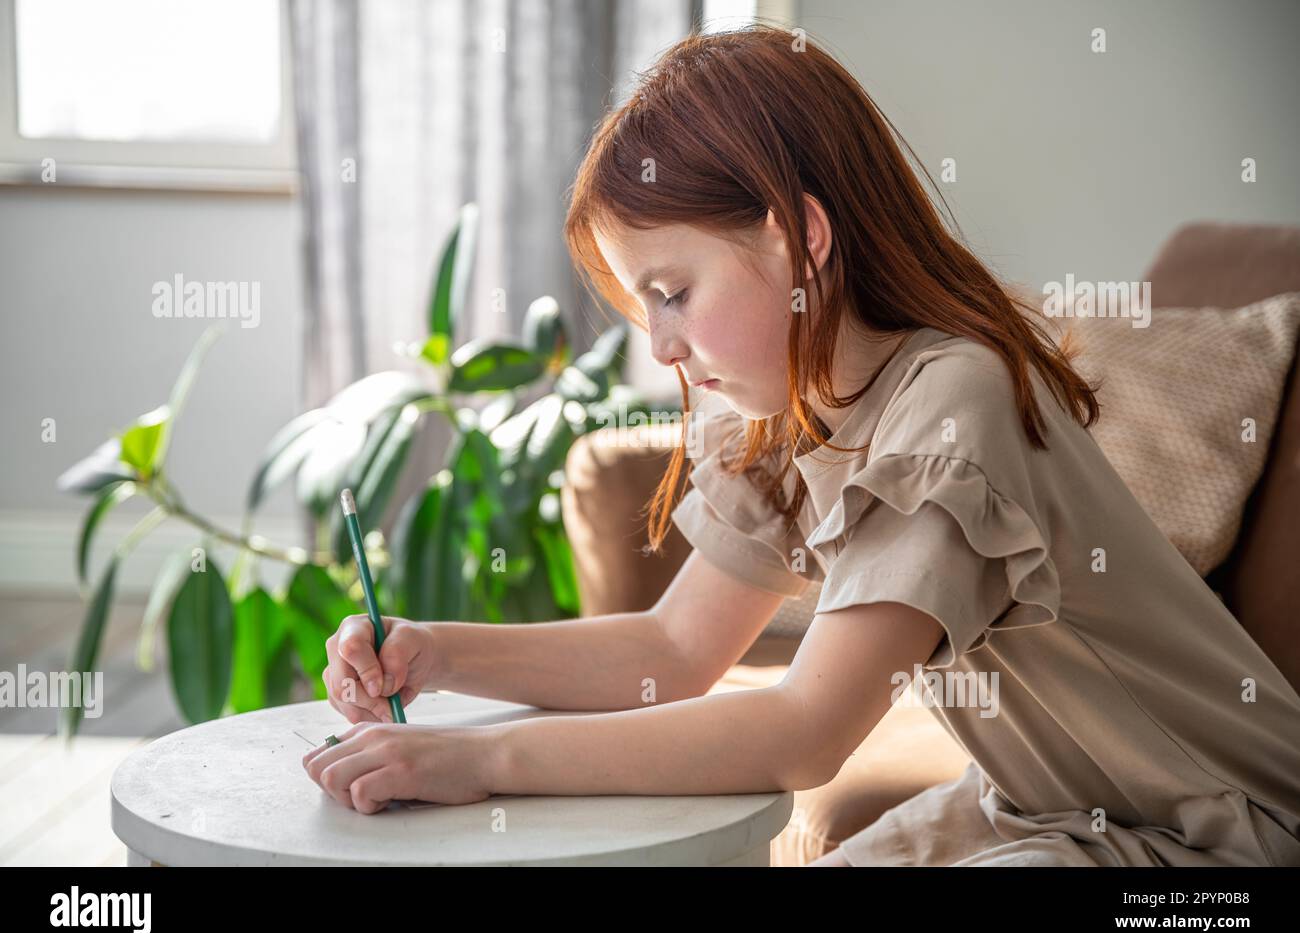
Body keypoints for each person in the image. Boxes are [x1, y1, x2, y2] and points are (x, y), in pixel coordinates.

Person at [302, 24, 1300, 866]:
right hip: (1046, 813)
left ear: (798, 239)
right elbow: (673, 648)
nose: (661, 346)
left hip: (1219, 844)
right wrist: (437, 654)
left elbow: (804, 728)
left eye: (673, 292)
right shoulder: (790, 407)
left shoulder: (955, 401)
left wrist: (474, 763)